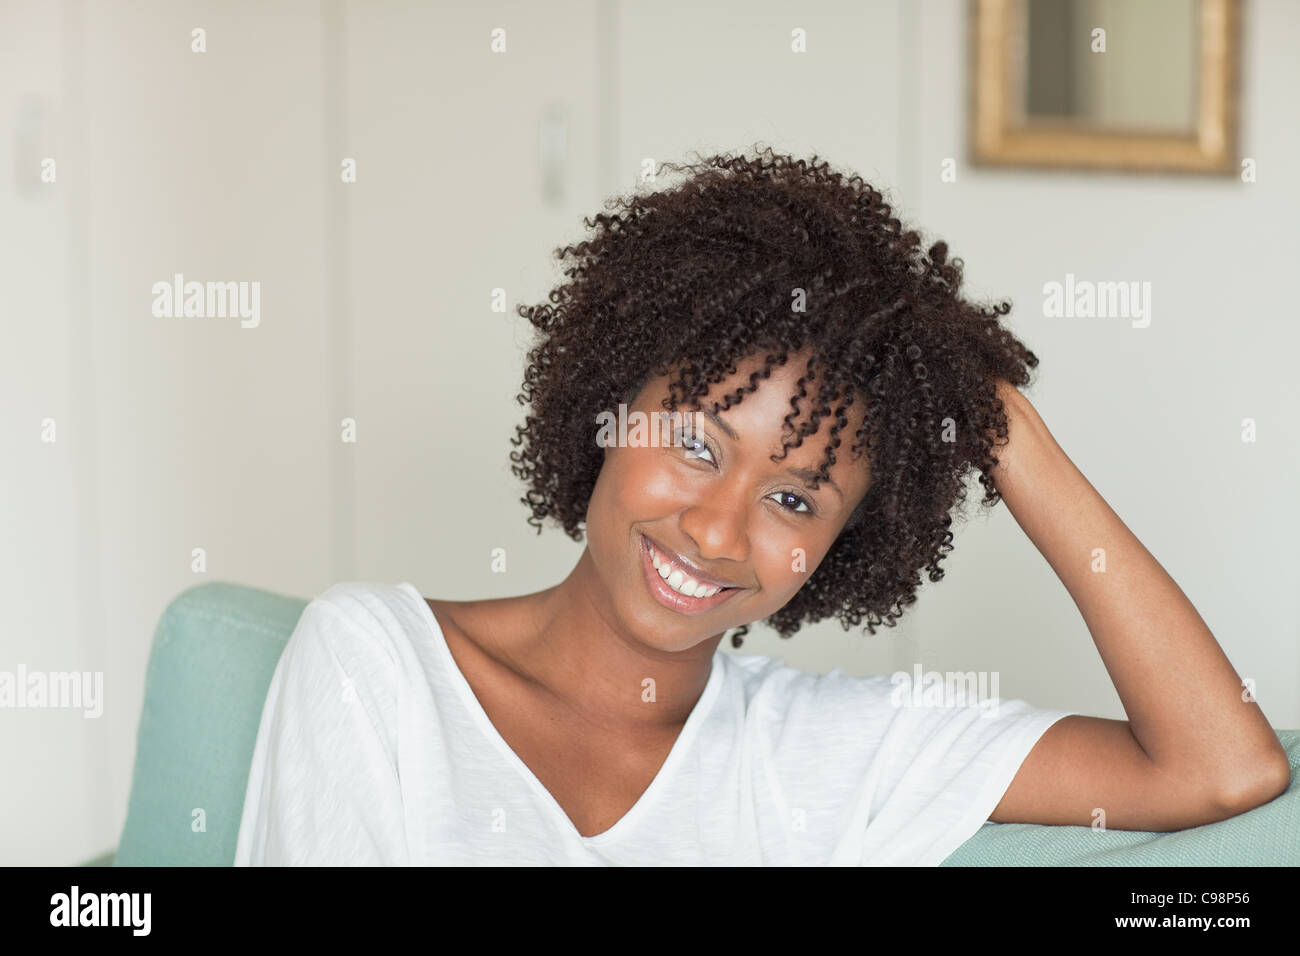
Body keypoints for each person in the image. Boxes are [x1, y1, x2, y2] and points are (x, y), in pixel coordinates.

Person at [234, 147, 1289, 865]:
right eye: (695, 442)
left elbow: (1219, 766)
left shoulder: (822, 752)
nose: (717, 528)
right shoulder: (377, 665)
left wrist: (985, 406)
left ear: (841, 543)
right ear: (608, 408)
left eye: (795, 496)